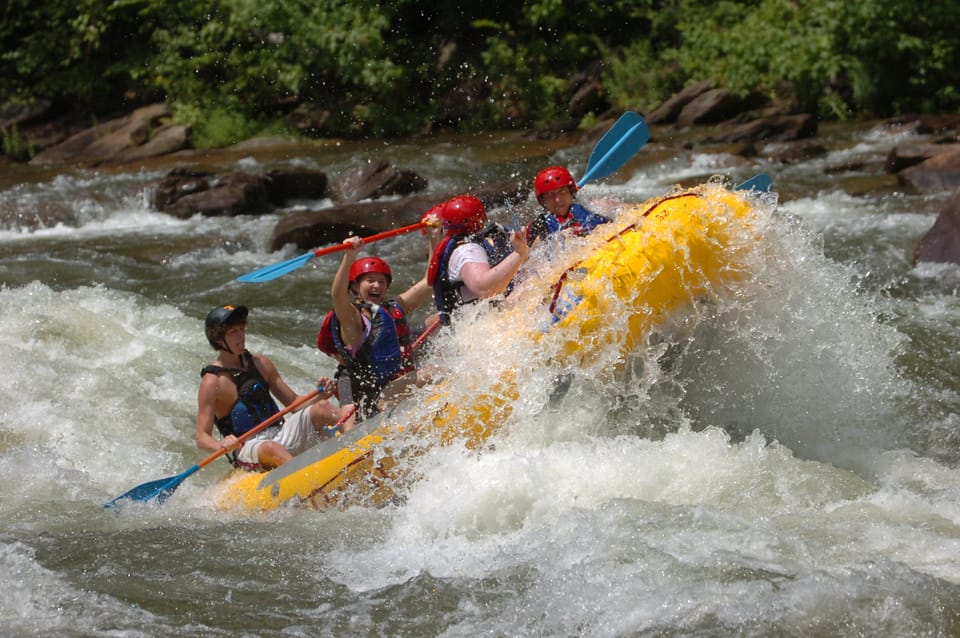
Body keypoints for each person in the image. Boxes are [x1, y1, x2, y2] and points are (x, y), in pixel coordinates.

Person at [196, 304, 341, 472]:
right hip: (247, 447)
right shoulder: (212, 381)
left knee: (323, 408)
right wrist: (221, 444)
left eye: (242, 329)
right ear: (218, 339)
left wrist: (320, 396)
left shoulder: (261, 363)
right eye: (233, 332)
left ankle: (361, 440)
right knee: (272, 448)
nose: (241, 336)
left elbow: (294, 403)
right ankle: (309, 480)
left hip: (279, 433)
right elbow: (201, 437)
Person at [317, 238, 434, 420]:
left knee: (437, 322)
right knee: (431, 374)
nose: (377, 286)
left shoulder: (393, 308)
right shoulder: (352, 319)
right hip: (375, 398)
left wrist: (433, 236)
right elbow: (337, 295)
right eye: (370, 280)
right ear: (355, 286)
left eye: (382, 282)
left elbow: (429, 280)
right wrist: (349, 256)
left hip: (398, 384)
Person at [427, 194, 529, 325]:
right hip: (481, 327)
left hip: (474, 324)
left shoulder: (460, 246)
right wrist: (519, 253)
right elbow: (485, 289)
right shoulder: (467, 251)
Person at [526, 166, 612, 244]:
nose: (557, 200)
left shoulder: (593, 207)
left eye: (562, 192)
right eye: (550, 195)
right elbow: (529, 255)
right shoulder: (539, 227)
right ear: (543, 201)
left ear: (571, 193)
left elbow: (623, 213)